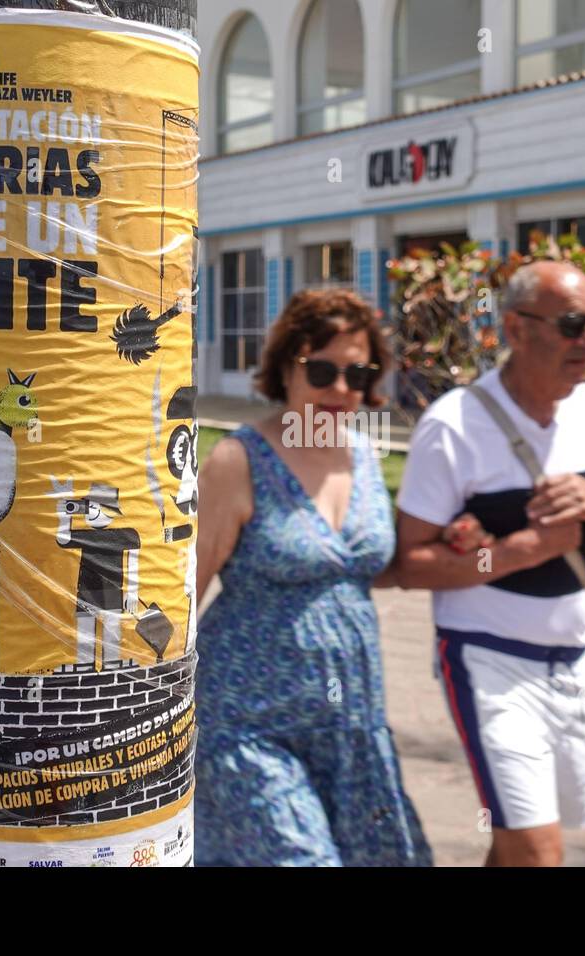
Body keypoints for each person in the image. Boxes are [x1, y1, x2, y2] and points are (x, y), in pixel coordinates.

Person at [394, 260, 585, 867]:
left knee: (517, 843)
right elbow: (410, 563)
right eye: (573, 325)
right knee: (536, 850)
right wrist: (520, 550)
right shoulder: (452, 426)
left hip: (575, 661)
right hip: (487, 660)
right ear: (516, 329)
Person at [193, 288, 432, 867]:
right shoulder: (238, 460)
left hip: (350, 728)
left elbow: (370, 566)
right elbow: (185, 593)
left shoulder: (365, 456)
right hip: (247, 723)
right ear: (287, 367)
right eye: (323, 370)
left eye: (359, 374)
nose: (341, 390)